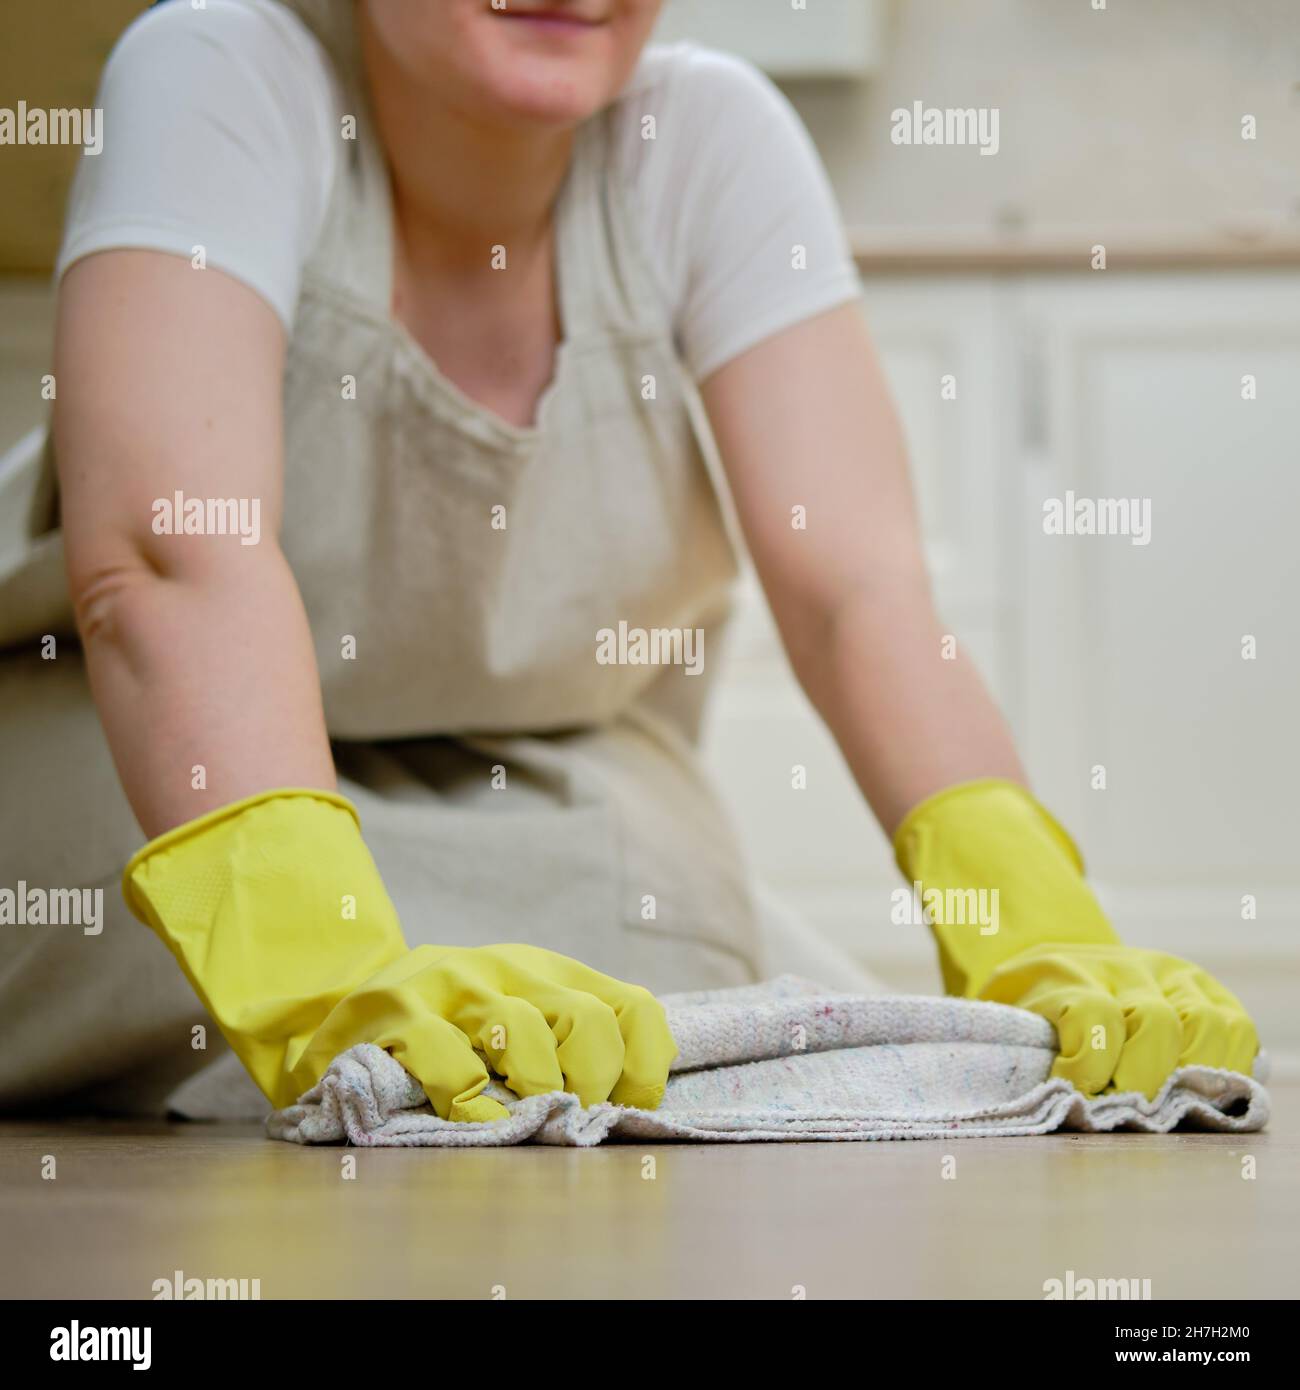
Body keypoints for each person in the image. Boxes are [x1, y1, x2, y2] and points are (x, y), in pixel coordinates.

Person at [0, 0, 1257, 1119]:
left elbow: (856, 592)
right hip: (146, 768)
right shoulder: (218, 69)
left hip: (553, 779)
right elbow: (170, 560)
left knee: (662, 1002)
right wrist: (323, 967)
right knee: (186, 960)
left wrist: (1033, 920)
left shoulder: (711, 143)